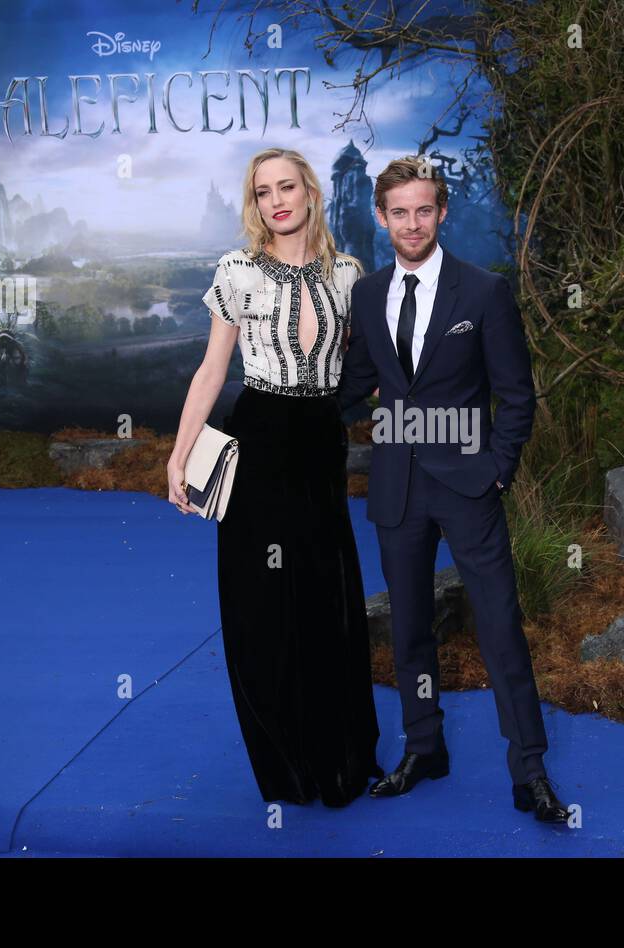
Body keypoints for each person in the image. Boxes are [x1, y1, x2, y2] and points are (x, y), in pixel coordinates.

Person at [336, 156, 571, 824]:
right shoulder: (367, 294)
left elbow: (517, 394)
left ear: (441, 213)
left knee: (500, 627)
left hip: (469, 484)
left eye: (424, 210)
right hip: (396, 488)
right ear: (382, 219)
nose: (412, 224)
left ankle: (530, 770)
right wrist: (289, 395)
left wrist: (497, 466)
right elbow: (355, 386)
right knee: (409, 630)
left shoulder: (483, 292)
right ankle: (423, 747)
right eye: (399, 212)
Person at [166, 147, 382, 807]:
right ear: (255, 204)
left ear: (311, 191)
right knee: (262, 601)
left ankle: (336, 757)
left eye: (287, 187)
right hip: (257, 437)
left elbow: (363, 375)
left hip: (319, 441)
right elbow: (211, 371)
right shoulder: (237, 271)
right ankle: (282, 760)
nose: (277, 201)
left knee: (327, 594)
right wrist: (180, 454)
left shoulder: (349, 275)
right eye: (263, 192)